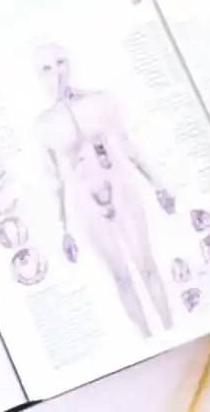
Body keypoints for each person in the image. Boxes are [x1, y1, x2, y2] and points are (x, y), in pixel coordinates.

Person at [32, 43, 175, 338]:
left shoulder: (99, 102)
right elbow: (54, 182)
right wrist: (63, 230)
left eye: (60, 62)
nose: (56, 72)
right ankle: (148, 339)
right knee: (121, 277)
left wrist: (158, 185)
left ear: (70, 64)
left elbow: (126, 144)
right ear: (38, 75)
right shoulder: (44, 126)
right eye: (46, 68)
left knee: (147, 265)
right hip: (85, 203)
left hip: (119, 186)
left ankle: (172, 330)